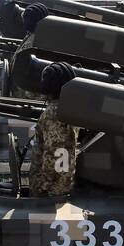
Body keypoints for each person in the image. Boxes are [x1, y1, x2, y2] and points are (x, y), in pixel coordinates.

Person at [31, 62, 78, 198]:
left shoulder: (54, 113)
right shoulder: (68, 107)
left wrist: (43, 186)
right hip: (59, 185)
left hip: (50, 191)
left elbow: (55, 152)